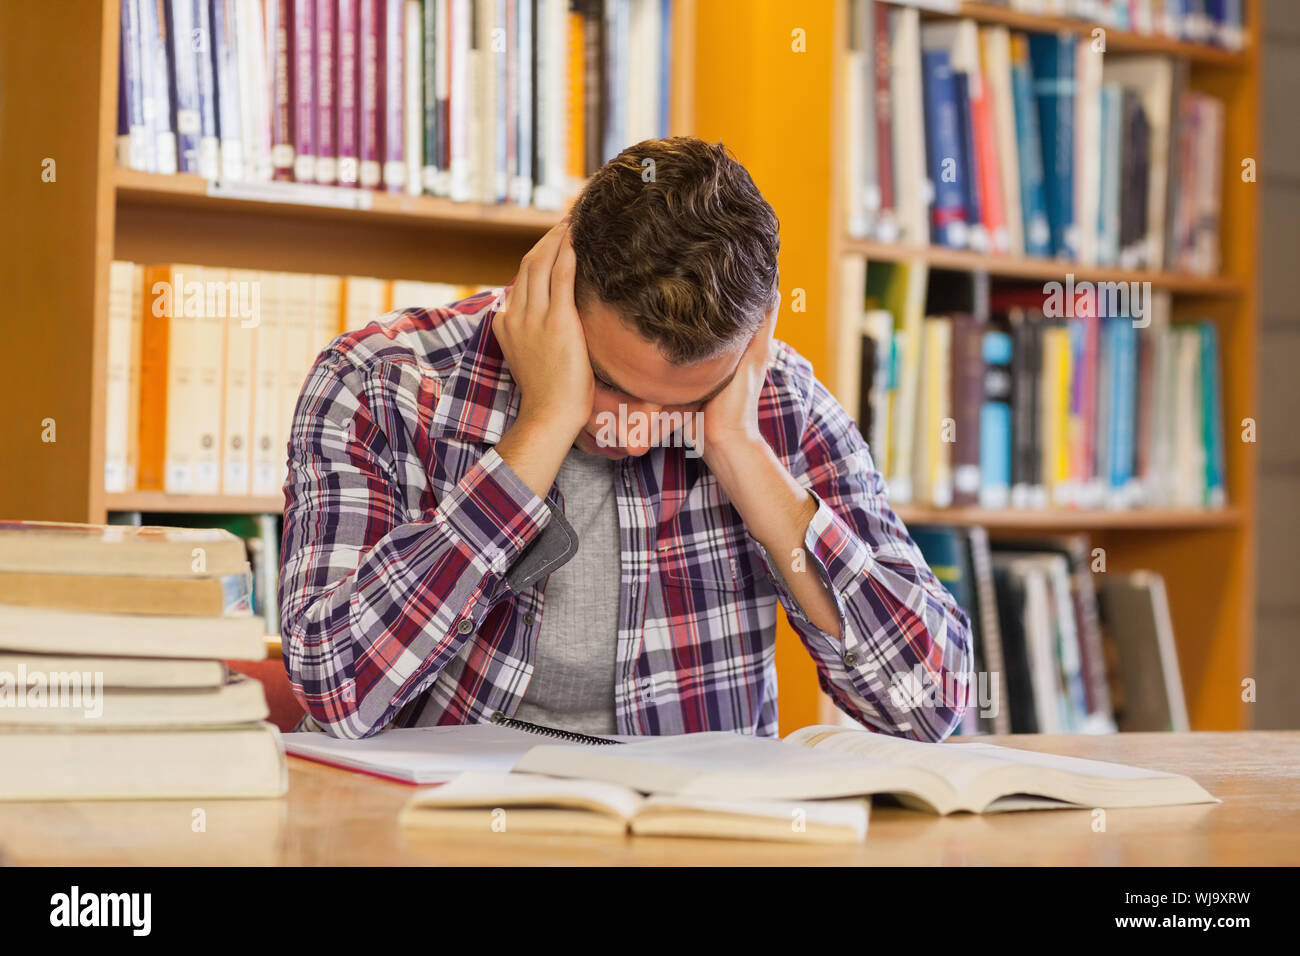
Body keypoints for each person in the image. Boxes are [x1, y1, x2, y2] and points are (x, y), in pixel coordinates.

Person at [279, 136, 971, 741]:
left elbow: (930, 705)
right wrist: (543, 426)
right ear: (552, 286)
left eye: (682, 403)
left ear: (753, 340)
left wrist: (737, 447)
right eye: (608, 381)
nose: (634, 430)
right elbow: (335, 689)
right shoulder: (383, 382)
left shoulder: (779, 402)